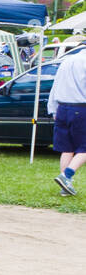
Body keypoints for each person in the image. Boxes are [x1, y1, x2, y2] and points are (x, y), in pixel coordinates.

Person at [49, 44, 86, 196]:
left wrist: (53, 109)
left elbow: (55, 85)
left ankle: (65, 187)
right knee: (84, 148)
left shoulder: (67, 61)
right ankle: (67, 175)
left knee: (67, 148)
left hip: (61, 108)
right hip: (81, 107)